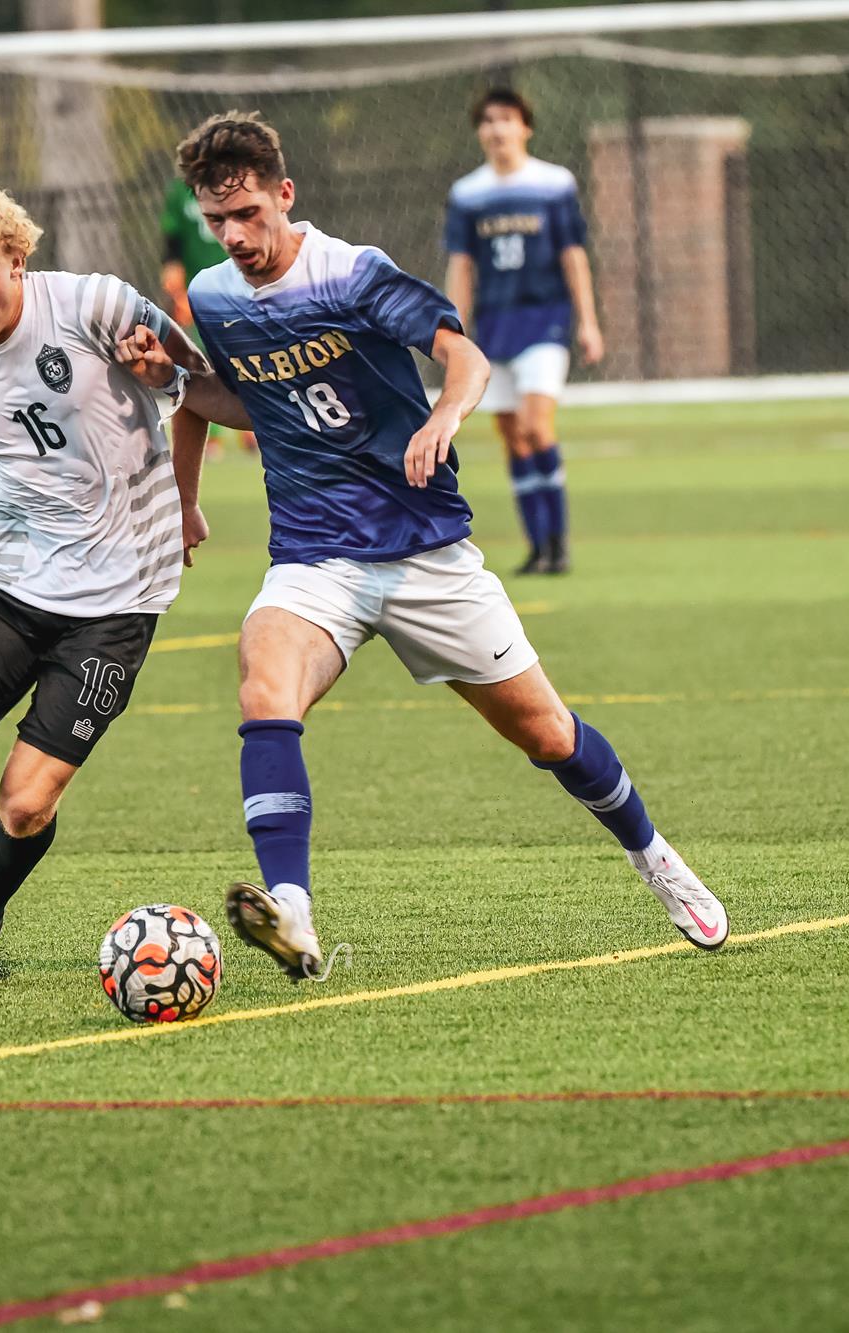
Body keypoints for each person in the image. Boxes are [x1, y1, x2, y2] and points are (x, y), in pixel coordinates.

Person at [133, 111, 726, 981]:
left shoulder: (354, 274)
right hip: (314, 557)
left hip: (425, 554)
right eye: (217, 221)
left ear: (284, 195)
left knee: (550, 736)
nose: (234, 236)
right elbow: (223, 398)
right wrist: (183, 491)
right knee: (265, 686)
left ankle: (653, 855)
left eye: (249, 214)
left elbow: (467, 356)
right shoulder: (216, 298)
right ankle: (291, 910)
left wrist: (447, 412)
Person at [0, 175, 227, 989]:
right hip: (11, 577)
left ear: (18, 258)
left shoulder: (96, 304)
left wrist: (188, 492)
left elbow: (207, 391)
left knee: (26, 804)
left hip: (118, 595)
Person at [441, 88, 603, 576]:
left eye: (507, 119)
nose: (497, 129)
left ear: (526, 127)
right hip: (494, 325)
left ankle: (559, 541)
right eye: (488, 121)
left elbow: (573, 255)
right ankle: (537, 547)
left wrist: (589, 322)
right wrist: (453, 329)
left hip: (545, 321)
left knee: (537, 427)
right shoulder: (468, 193)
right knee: (513, 437)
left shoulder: (554, 184)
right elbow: (462, 263)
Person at [159, 174, 256, 458]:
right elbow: (172, 238)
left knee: (247, 351)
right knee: (203, 359)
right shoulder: (181, 190)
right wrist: (175, 278)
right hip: (198, 286)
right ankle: (213, 437)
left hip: (242, 282)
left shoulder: (244, 181)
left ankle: (252, 427)